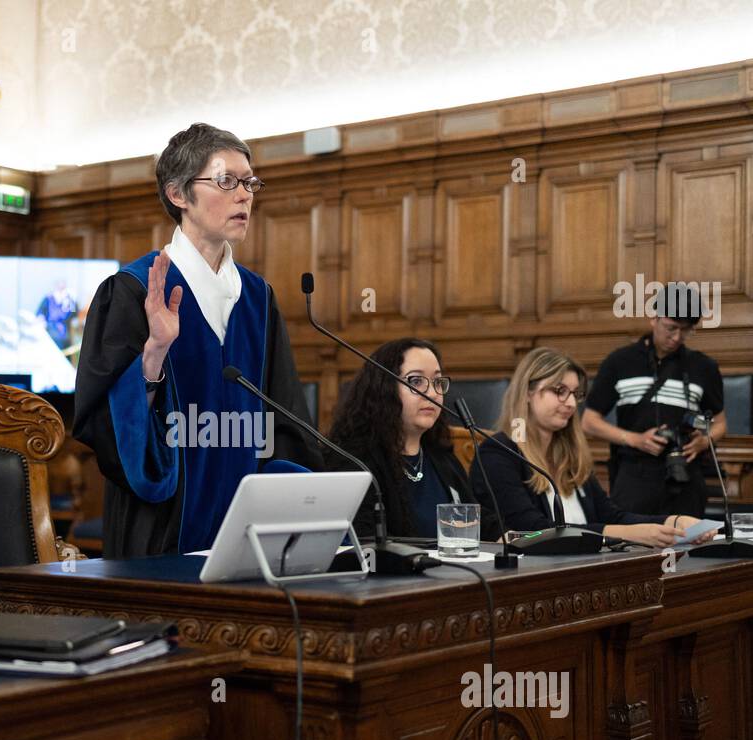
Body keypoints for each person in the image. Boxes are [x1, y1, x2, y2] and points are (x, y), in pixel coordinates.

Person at [74, 123, 322, 558]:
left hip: (246, 530)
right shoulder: (132, 290)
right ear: (178, 194)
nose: (245, 195)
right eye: (227, 181)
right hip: (160, 525)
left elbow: (284, 419)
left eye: (250, 183)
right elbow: (105, 428)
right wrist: (153, 355)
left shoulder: (258, 297)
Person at [471, 346, 716, 547]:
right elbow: (533, 531)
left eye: (575, 394)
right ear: (527, 392)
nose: (570, 403)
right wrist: (628, 534)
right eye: (559, 391)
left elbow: (611, 516)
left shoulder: (571, 456)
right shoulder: (499, 453)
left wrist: (674, 521)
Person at [581, 282, 726, 516]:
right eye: (671, 327)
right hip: (633, 476)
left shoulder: (703, 366)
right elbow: (589, 421)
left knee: (689, 546)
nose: (677, 337)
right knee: (629, 547)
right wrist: (635, 439)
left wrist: (704, 441)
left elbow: (720, 424)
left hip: (685, 475)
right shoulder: (620, 362)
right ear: (654, 318)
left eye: (686, 330)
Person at [327, 337, 490, 540]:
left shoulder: (441, 457)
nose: (432, 393)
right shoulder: (353, 461)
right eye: (416, 381)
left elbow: (479, 525)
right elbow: (365, 541)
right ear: (383, 388)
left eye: (437, 381)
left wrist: (507, 539)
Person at [35, 279, 78, 349]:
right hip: (50, 333)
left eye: (63, 289)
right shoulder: (48, 299)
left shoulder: (69, 300)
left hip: (64, 335)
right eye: (59, 288)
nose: (61, 291)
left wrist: (72, 301)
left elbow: (75, 315)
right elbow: (40, 314)